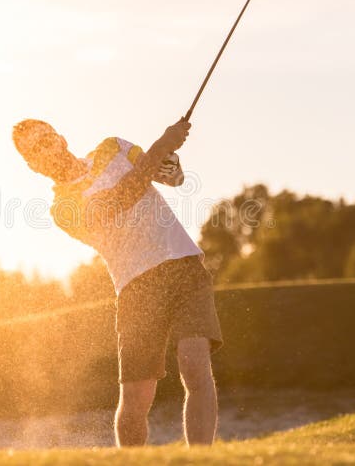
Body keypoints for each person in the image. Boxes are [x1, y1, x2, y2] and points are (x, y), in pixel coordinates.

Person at [12, 118, 223, 447]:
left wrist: (170, 157)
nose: (46, 149)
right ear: (32, 166)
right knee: (136, 400)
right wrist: (161, 144)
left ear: (61, 137)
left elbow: (173, 178)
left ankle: (201, 458)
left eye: (46, 139)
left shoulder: (114, 147)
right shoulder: (62, 209)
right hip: (135, 289)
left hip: (183, 265)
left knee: (194, 365)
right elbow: (121, 197)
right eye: (35, 150)